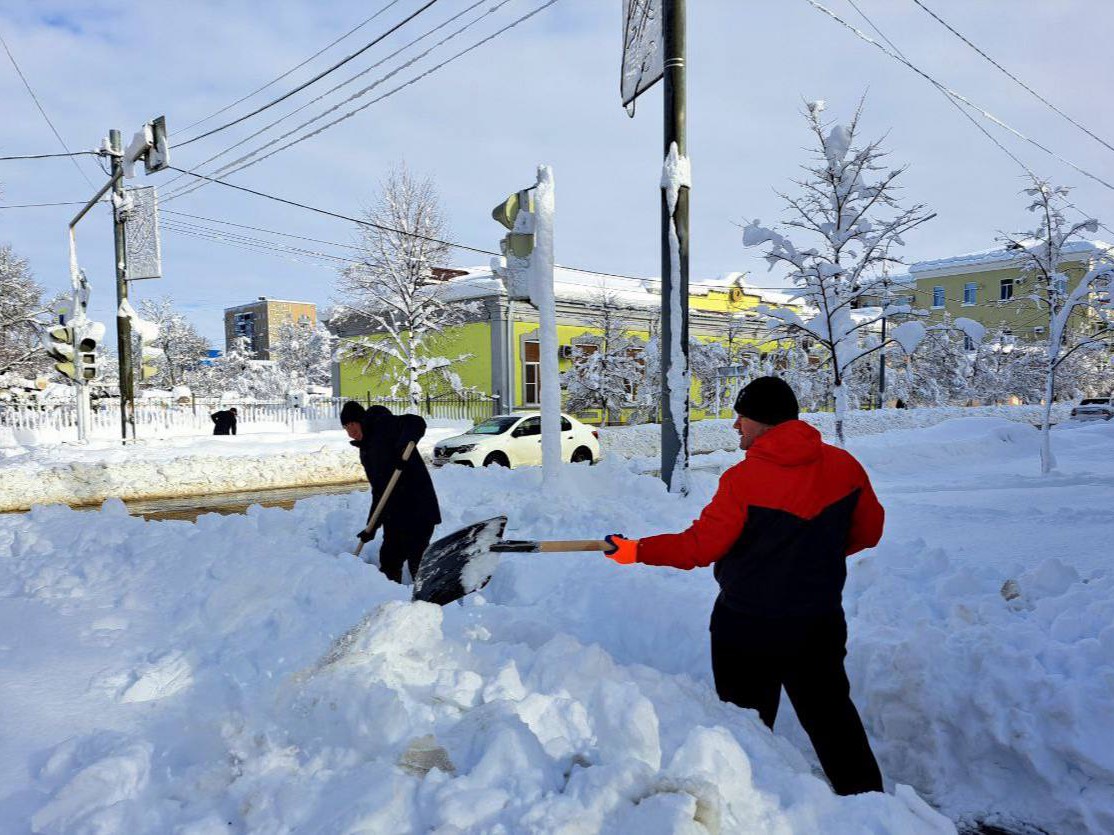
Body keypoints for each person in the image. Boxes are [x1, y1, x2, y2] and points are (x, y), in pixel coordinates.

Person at [602, 376, 885, 796]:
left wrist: (635, 550)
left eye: (743, 418)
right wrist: (815, 556)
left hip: (747, 628)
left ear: (765, 421)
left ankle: (753, 807)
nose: (736, 426)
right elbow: (869, 531)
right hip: (818, 622)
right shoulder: (845, 467)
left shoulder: (744, 479)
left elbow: (699, 547)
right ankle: (872, 806)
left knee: (746, 729)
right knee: (831, 718)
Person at [341, 401, 442, 584]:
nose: (350, 430)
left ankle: (427, 598)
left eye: (352, 423)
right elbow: (379, 492)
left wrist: (403, 448)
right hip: (395, 515)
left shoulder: (383, 425)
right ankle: (389, 598)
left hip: (417, 507)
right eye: (346, 427)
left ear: (361, 420)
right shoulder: (365, 451)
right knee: (389, 560)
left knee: (417, 562)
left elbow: (416, 422)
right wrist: (371, 528)